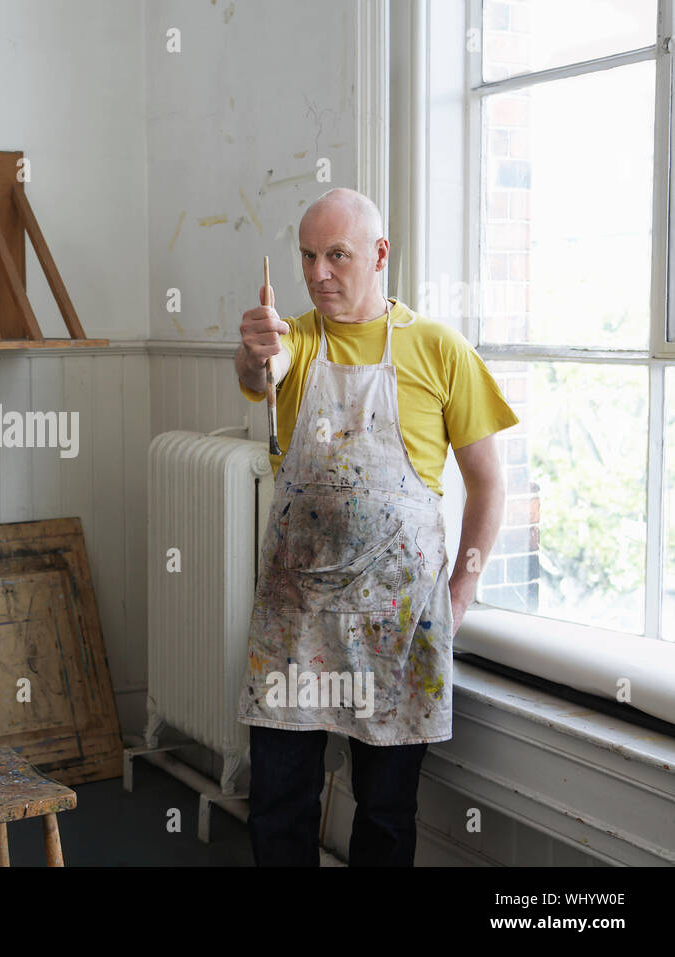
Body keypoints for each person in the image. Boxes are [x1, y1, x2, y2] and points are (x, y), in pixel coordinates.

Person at [233, 187, 517, 866]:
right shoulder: (294, 341)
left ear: (380, 254)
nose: (318, 273)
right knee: (279, 806)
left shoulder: (440, 349)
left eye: (337, 255)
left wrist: (455, 602)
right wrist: (251, 349)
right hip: (295, 622)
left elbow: (489, 484)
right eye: (307, 256)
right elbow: (258, 371)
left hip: (397, 632)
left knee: (387, 817)